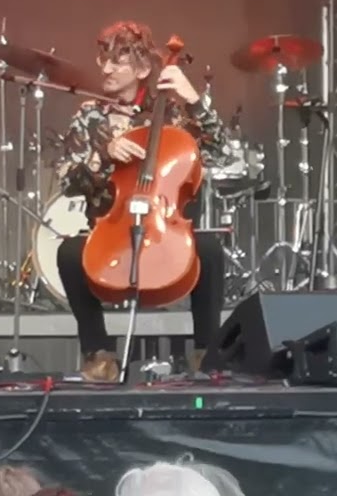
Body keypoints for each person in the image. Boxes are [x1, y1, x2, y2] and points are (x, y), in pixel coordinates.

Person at [53, 21, 228, 382]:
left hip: (163, 228)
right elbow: (68, 180)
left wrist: (194, 98)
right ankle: (98, 354)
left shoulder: (174, 114)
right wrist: (103, 155)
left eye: (117, 62)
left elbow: (221, 150)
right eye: (104, 60)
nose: (105, 69)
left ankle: (206, 354)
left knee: (209, 250)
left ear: (144, 68)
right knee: (69, 253)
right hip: (111, 231)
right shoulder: (90, 116)